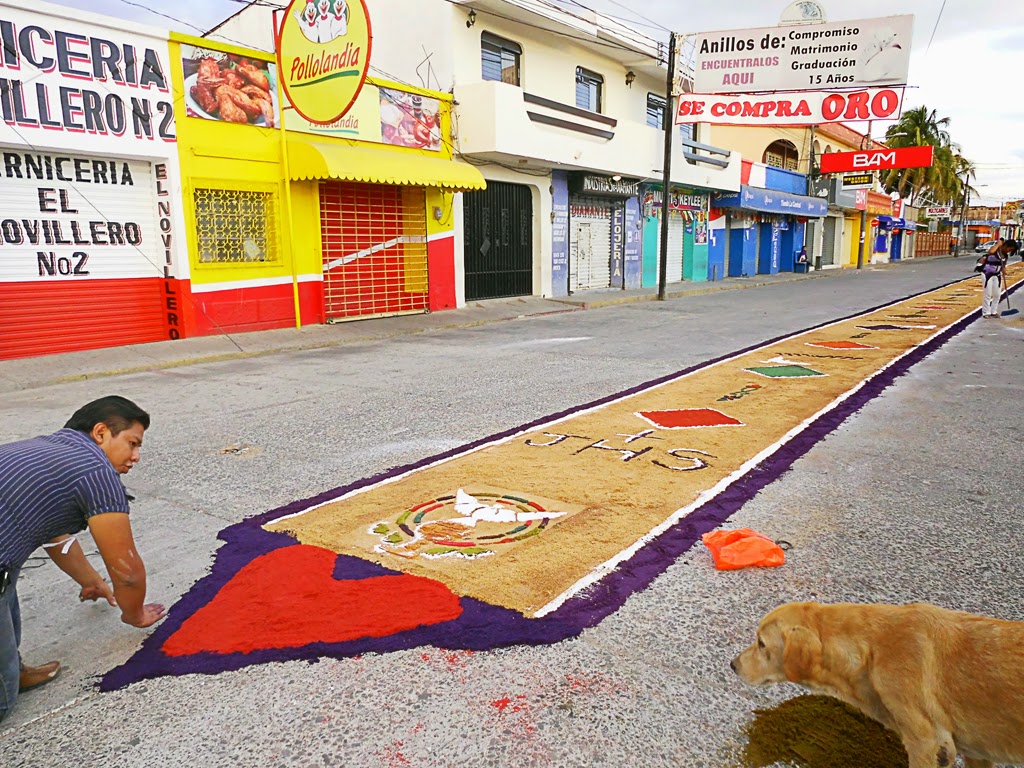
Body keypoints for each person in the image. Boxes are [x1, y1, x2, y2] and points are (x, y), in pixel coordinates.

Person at [0, 396, 165, 722]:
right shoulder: (96, 473)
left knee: (8, 591)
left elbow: (55, 536)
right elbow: (127, 571)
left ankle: (11, 669)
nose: (137, 456)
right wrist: (135, 614)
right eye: (132, 443)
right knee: (3, 701)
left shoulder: (51, 450)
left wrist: (91, 581)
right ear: (101, 432)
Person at [977, 238, 1019, 317]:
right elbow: (990, 252)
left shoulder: (1005, 255)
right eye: (1009, 249)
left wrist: (1003, 270)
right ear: (1005, 245)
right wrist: (998, 244)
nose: (1009, 251)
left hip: (997, 274)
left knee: (997, 294)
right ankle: (986, 312)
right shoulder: (996, 249)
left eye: (1011, 250)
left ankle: (994, 311)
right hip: (987, 273)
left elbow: (1003, 265)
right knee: (988, 294)